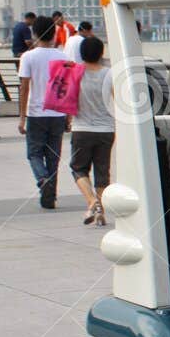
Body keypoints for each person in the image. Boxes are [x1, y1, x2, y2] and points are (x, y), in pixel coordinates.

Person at [17, 15, 67, 209]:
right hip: (58, 113)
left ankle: (42, 178)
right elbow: (67, 90)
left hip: (37, 114)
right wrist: (68, 116)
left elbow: (24, 88)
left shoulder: (28, 57)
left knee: (34, 153)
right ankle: (50, 197)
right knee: (53, 156)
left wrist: (22, 118)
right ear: (54, 33)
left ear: (35, 33)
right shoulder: (63, 57)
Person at [68, 35, 115, 227]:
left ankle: (92, 201)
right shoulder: (110, 73)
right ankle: (100, 213)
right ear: (101, 53)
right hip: (106, 129)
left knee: (79, 169)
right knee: (102, 172)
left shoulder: (75, 73)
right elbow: (118, 101)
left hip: (81, 129)